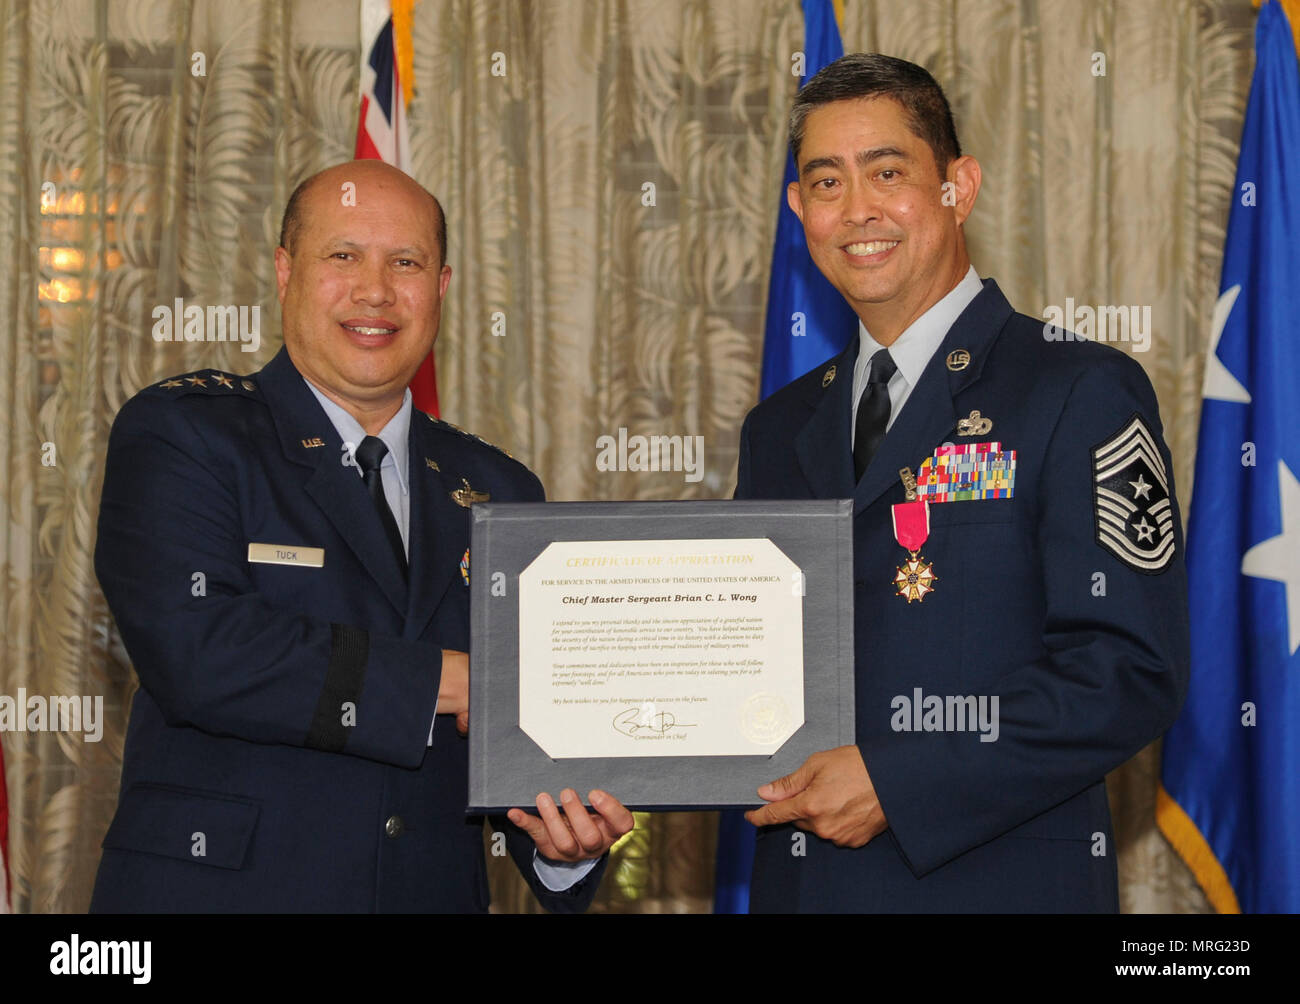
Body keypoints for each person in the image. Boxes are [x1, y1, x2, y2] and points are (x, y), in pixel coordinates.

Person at [90, 160, 632, 912]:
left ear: (440, 288)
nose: (375, 290)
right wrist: (457, 679)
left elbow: (523, 742)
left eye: (405, 262)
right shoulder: (187, 434)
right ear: (285, 272)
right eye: (343, 256)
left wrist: (561, 847)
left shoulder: (499, 489)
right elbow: (201, 651)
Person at [738, 54, 1189, 911]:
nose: (858, 208)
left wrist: (901, 781)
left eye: (889, 171)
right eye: (826, 181)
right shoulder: (780, 428)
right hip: (806, 887)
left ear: (959, 186)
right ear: (799, 211)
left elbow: (1127, 669)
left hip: (1000, 883)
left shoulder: (1078, 389)